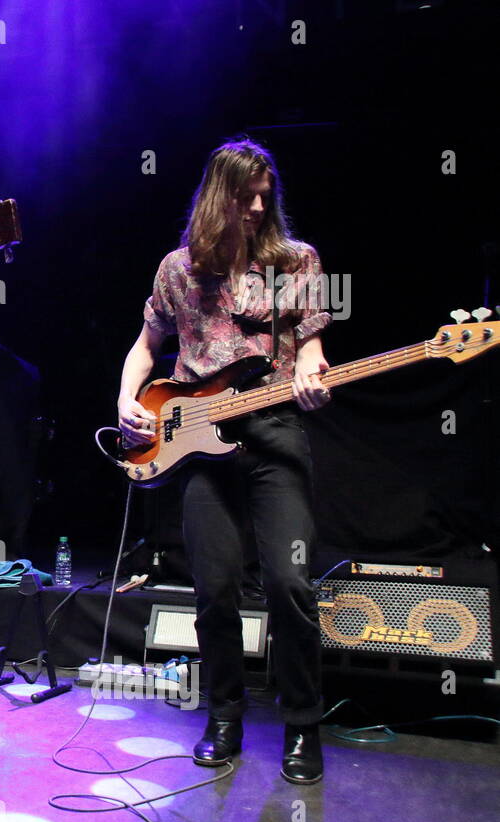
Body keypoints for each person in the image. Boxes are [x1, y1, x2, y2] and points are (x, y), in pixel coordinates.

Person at [117, 138, 331, 784]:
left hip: (274, 433)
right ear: (220, 197)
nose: (260, 206)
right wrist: (127, 396)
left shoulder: (296, 262)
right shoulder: (178, 271)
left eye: (267, 195)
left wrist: (315, 372)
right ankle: (224, 717)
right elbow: (145, 346)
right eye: (246, 195)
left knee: (290, 584)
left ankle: (302, 726)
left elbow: (314, 346)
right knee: (212, 587)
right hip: (202, 445)